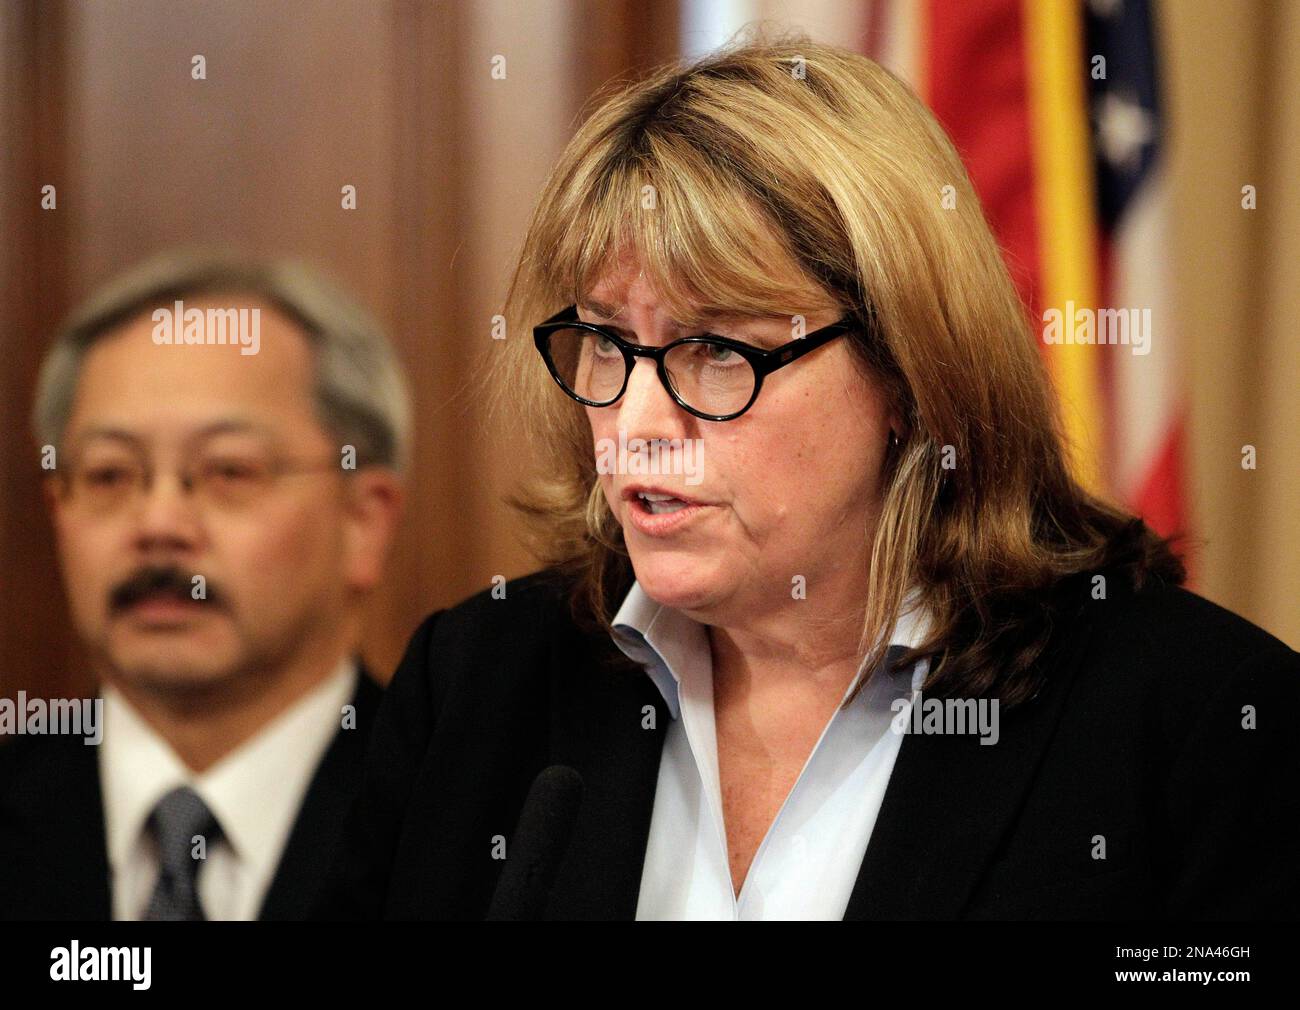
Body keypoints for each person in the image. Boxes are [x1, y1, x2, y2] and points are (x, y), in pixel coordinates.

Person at [325, 36, 1299, 920]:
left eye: (716, 349)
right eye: (606, 342)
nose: (636, 424)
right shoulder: (475, 681)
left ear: (909, 374)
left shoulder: (1200, 723)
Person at [0, 252, 409, 920]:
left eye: (228, 471)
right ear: (58, 510)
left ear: (363, 521)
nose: (158, 524)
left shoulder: (455, 833)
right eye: (109, 475)